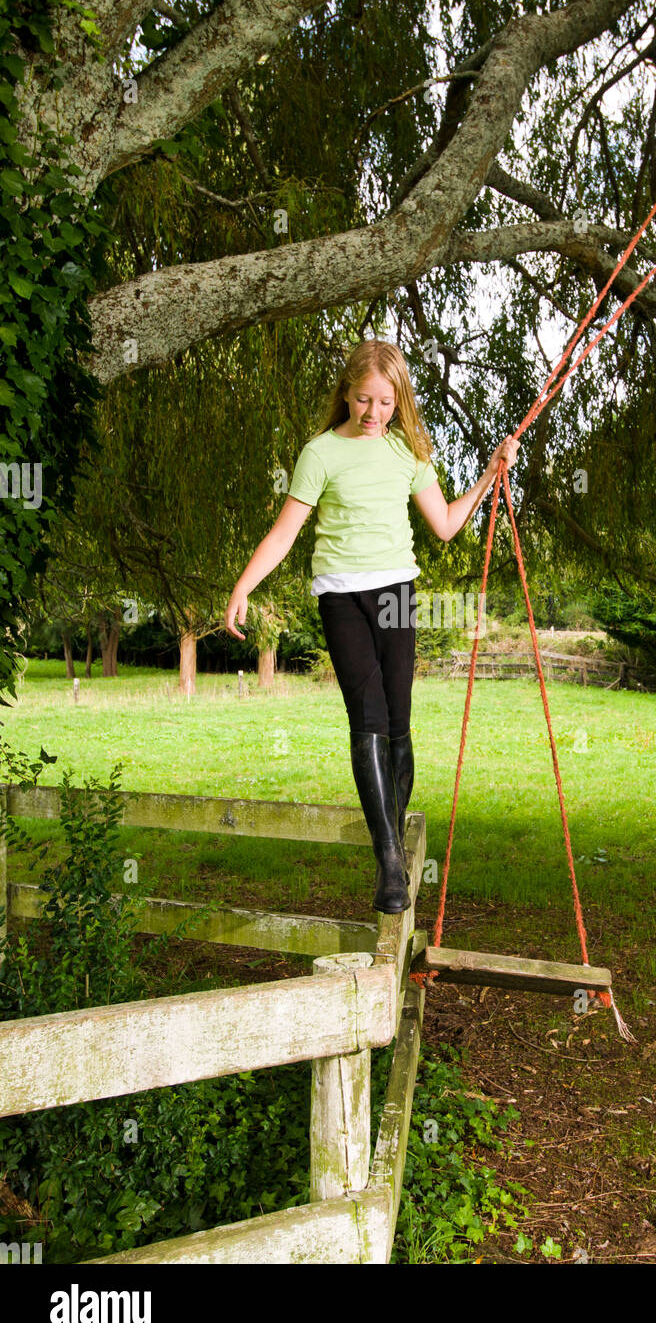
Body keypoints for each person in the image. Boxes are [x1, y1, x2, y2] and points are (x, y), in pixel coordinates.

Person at [224, 337, 519, 914]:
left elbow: (446, 525)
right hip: (341, 598)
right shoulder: (319, 454)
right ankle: (388, 859)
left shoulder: (408, 453)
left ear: (399, 400)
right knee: (369, 718)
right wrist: (243, 585)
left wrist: (489, 474)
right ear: (346, 395)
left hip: (397, 595)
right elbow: (285, 535)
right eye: (363, 400)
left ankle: (391, 842)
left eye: (385, 402)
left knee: (400, 722)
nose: (374, 414)